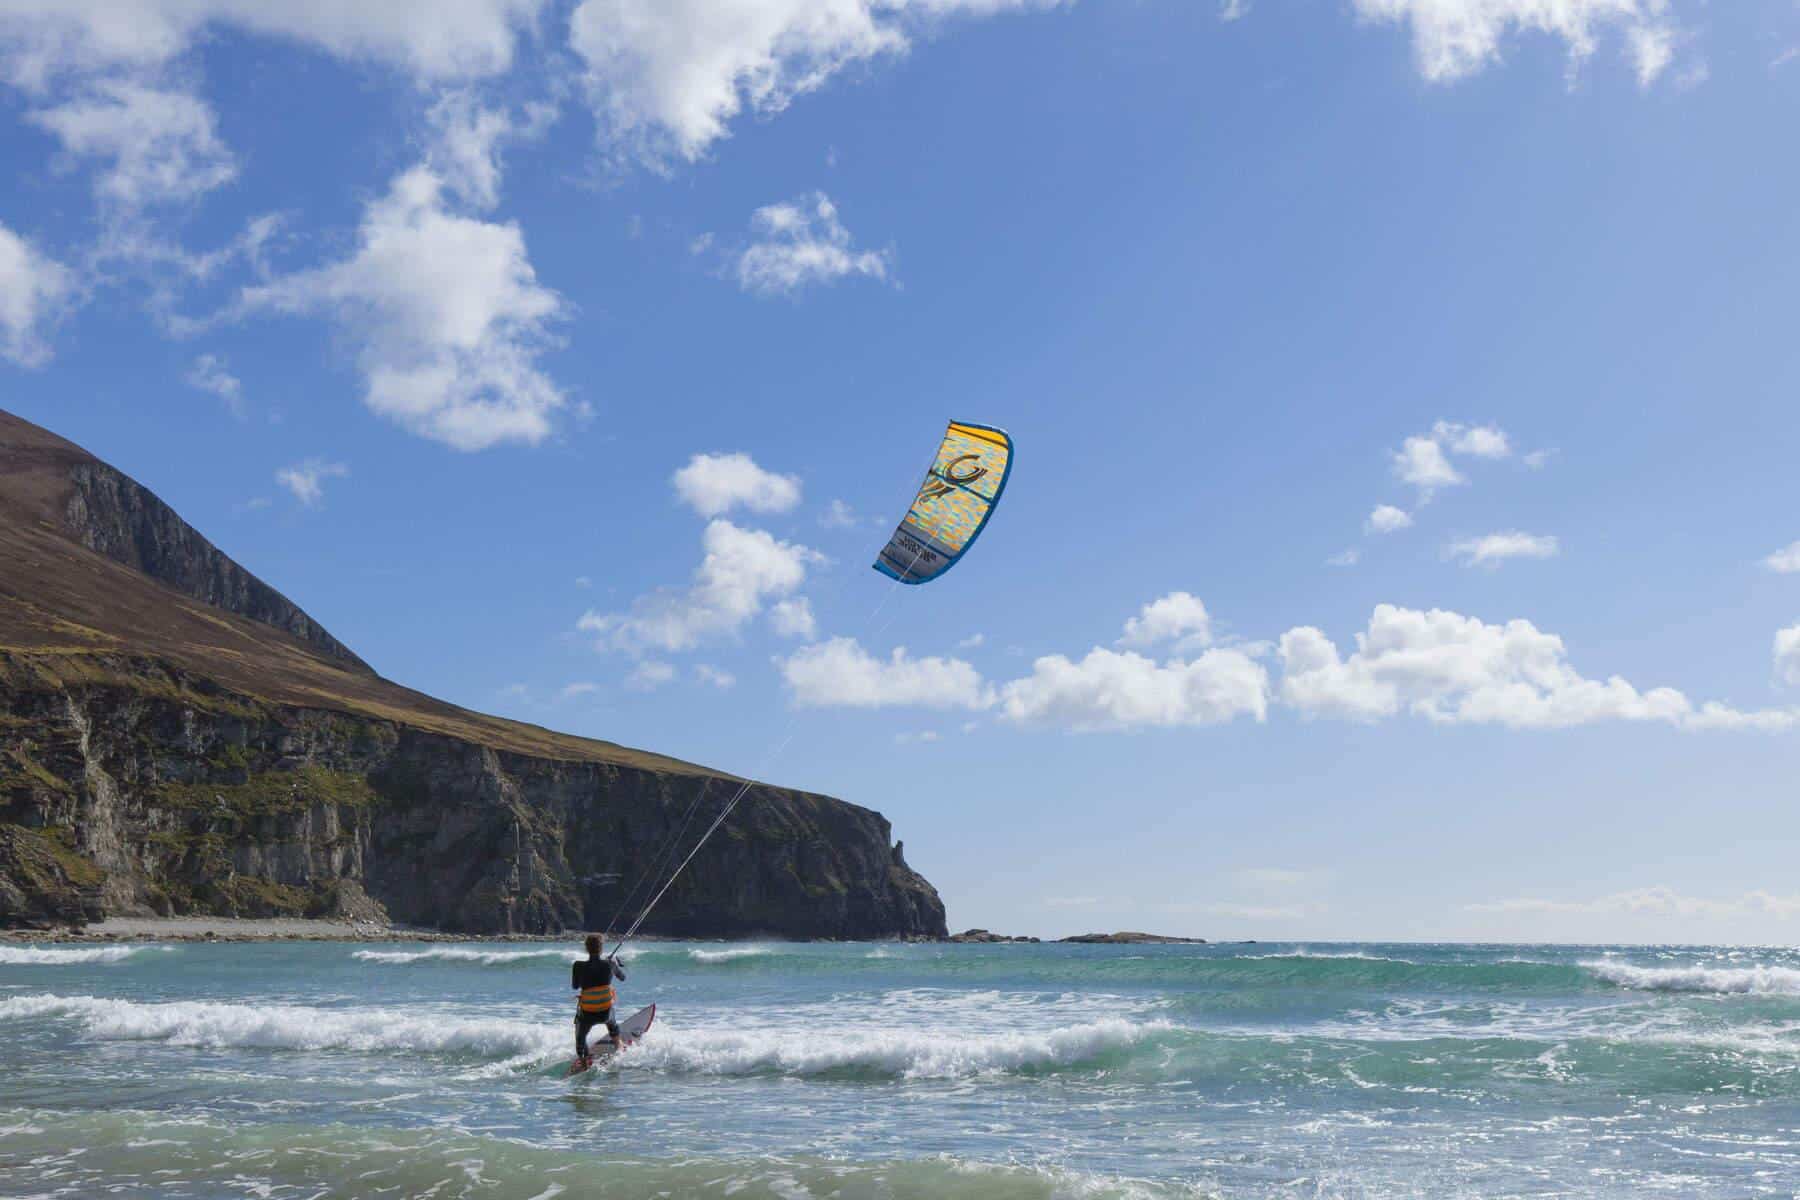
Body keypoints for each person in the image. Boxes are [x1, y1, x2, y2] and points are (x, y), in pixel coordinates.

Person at [571, 934, 626, 1065]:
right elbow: (622, 978)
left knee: (580, 1035)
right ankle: (619, 1046)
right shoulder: (610, 964)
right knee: (612, 1023)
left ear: (586, 948)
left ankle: (583, 1059)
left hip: (587, 1015)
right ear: (601, 948)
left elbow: (575, 986)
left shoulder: (578, 966)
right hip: (605, 1014)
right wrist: (614, 964)